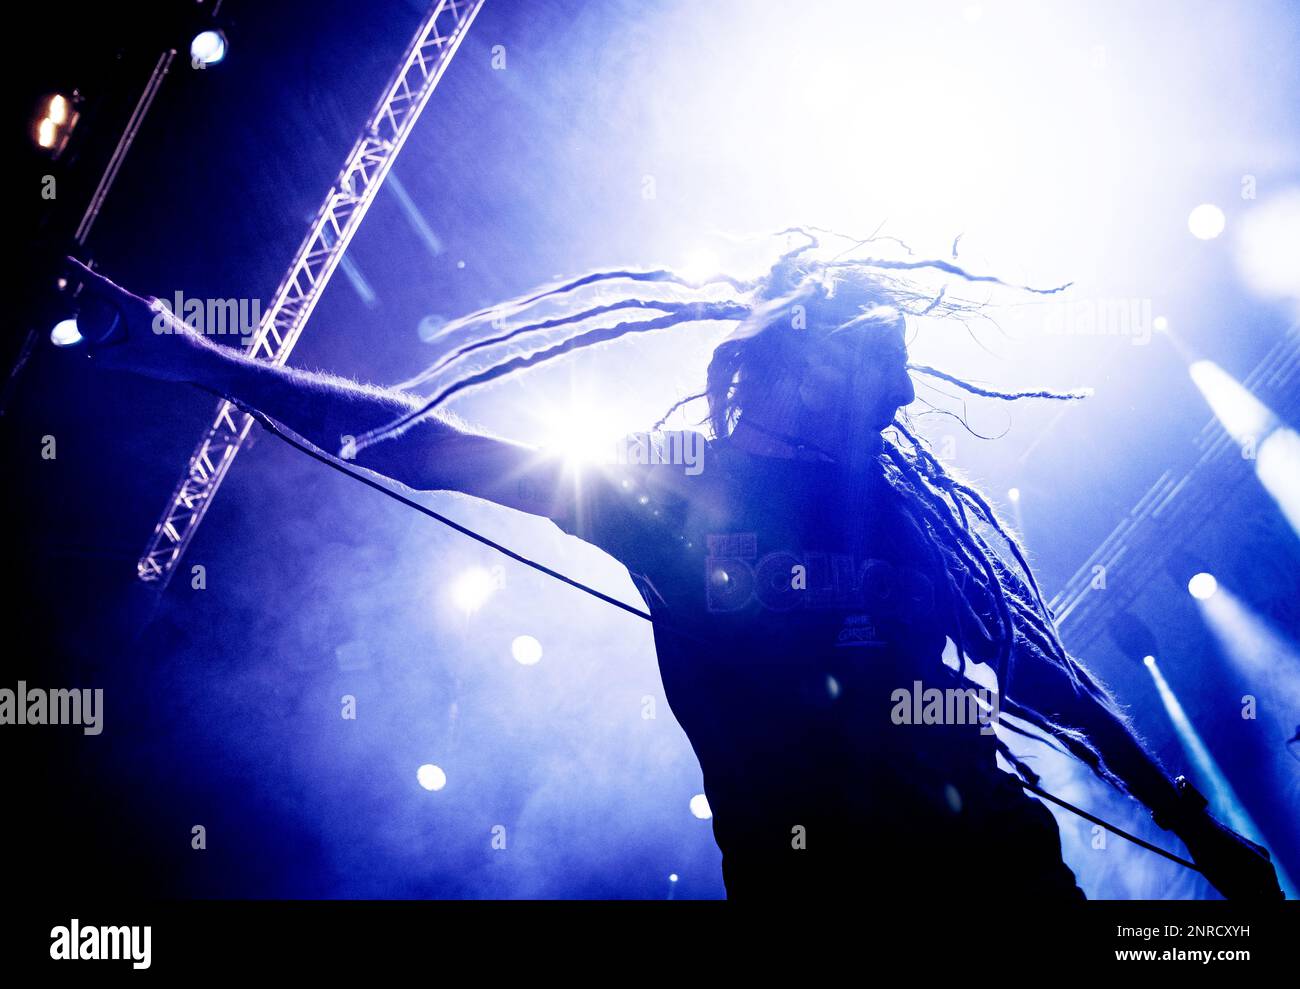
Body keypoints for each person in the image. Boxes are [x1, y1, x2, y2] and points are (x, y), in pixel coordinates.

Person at [64, 251, 1284, 901]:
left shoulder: (902, 513)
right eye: (886, 365)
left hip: (1006, 877)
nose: (907, 394)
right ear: (802, 359)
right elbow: (422, 442)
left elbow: (1048, 684)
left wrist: (1188, 817)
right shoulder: (671, 495)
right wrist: (194, 353)